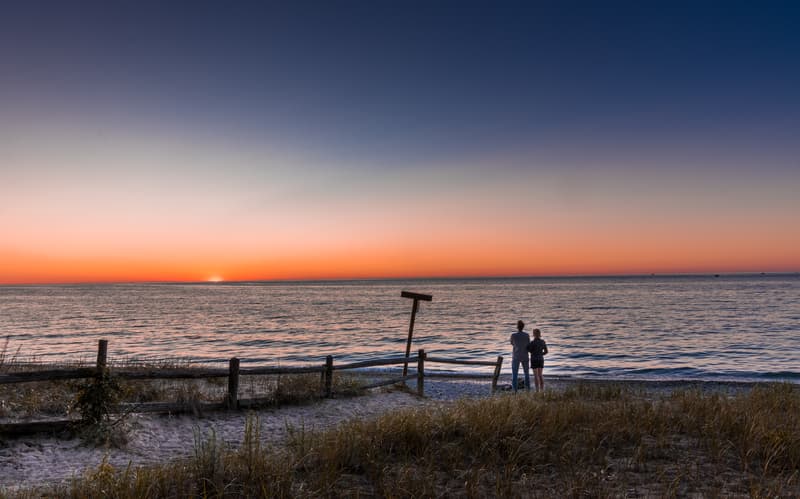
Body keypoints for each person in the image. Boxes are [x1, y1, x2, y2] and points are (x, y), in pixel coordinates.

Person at [509, 320, 530, 392]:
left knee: (515, 374)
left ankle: (514, 391)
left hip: (516, 356)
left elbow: (512, 343)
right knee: (526, 373)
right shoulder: (527, 335)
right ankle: (528, 390)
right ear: (523, 327)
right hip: (525, 356)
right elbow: (528, 344)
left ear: (517, 327)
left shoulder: (513, 335)